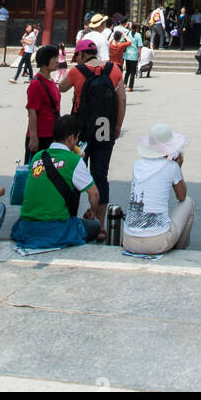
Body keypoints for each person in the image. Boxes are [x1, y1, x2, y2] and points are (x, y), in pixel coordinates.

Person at [58, 37, 126, 241]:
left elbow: (61, 88)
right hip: (104, 127)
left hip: (80, 131)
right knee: (100, 173)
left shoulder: (76, 71)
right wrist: (118, 125)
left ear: (80, 54)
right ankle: (101, 224)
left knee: (75, 172)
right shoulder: (113, 69)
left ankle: (71, 219)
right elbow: (122, 99)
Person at [11, 114, 102, 250]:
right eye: (77, 138)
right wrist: (93, 211)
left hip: (27, 228)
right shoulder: (73, 160)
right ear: (71, 138)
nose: (77, 141)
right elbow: (94, 193)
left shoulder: (37, 157)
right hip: (55, 229)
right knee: (94, 226)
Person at [122, 123, 195, 255]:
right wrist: (178, 167)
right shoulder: (171, 167)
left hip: (128, 240)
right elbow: (182, 196)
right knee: (188, 202)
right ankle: (180, 249)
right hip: (157, 242)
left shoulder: (137, 165)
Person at [25, 44, 61, 165]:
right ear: (45, 60)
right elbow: (32, 111)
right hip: (40, 136)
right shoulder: (36, 84)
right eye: (54, 58)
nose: (57, 61)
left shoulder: (51, 81)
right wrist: (34, 137)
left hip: (52, 134)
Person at [123, 24, 142, 91]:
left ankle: (124, 84)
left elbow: (123, 41)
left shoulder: (127, 34)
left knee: (127, 71)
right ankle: (130, 87)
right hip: (134, 55)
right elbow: (139, 46)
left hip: (127, 54)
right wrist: (139, 55)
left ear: (131, 27)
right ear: (136, 28)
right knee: (133, 72)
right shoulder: (138, 35)